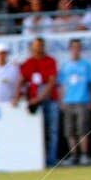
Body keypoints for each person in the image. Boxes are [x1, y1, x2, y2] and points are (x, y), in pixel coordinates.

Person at [57, 38, 91, 165]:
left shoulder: (87, 65)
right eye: (74, 47)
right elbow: (62, 85)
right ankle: (73, 155)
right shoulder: (65, 66)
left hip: (82, 100)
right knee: (69, 131)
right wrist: (61, 100)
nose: (76, 50)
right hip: (68, 101)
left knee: (83, 130)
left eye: (78, 47)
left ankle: (84, 155)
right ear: (70, 49)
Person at [19, 37, 60, 167]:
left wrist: (40, 98)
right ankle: (37, 160)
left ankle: (51, 160)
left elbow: (51, 82)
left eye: (41, 45)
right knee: (36, 132)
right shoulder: (28, 63)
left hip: (49, 100)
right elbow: (22, 80)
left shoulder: (50, 61)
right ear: (32, 47)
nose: (38, 48)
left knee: (52, 131)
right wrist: (17, 96)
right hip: (34, 102)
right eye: (36, 45)